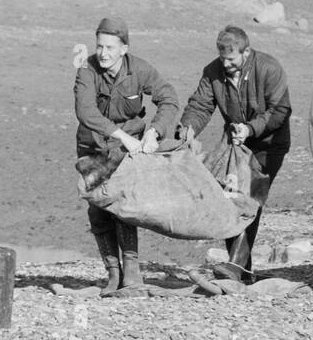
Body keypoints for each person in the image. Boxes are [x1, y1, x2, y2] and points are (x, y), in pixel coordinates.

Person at [74, 17, 179, 295]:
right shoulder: (86, 69)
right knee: (98, 209)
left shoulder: (140, 69)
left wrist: (154, 132)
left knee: (124, 206)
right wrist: (121, 136)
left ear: (124, 48)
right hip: (94, 148)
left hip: (126, 151)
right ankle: (112, 273)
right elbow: (85, 111)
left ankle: (131, 271)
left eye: (110, 47)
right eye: (99, 46)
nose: (103, 53)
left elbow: (169, 98)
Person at [179, 25, 291, 283]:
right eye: (222, 58)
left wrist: (250, 129)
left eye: (231, 58)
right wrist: (187, 130)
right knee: (230, 197)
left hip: (268, 144)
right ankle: (242, 273)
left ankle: (236, 267)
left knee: (248, 198)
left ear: (247, 51)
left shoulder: (269, 69)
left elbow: (279, 111)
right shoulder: (213, 72)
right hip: (236, 144)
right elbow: (200, 105)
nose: (225, 63)